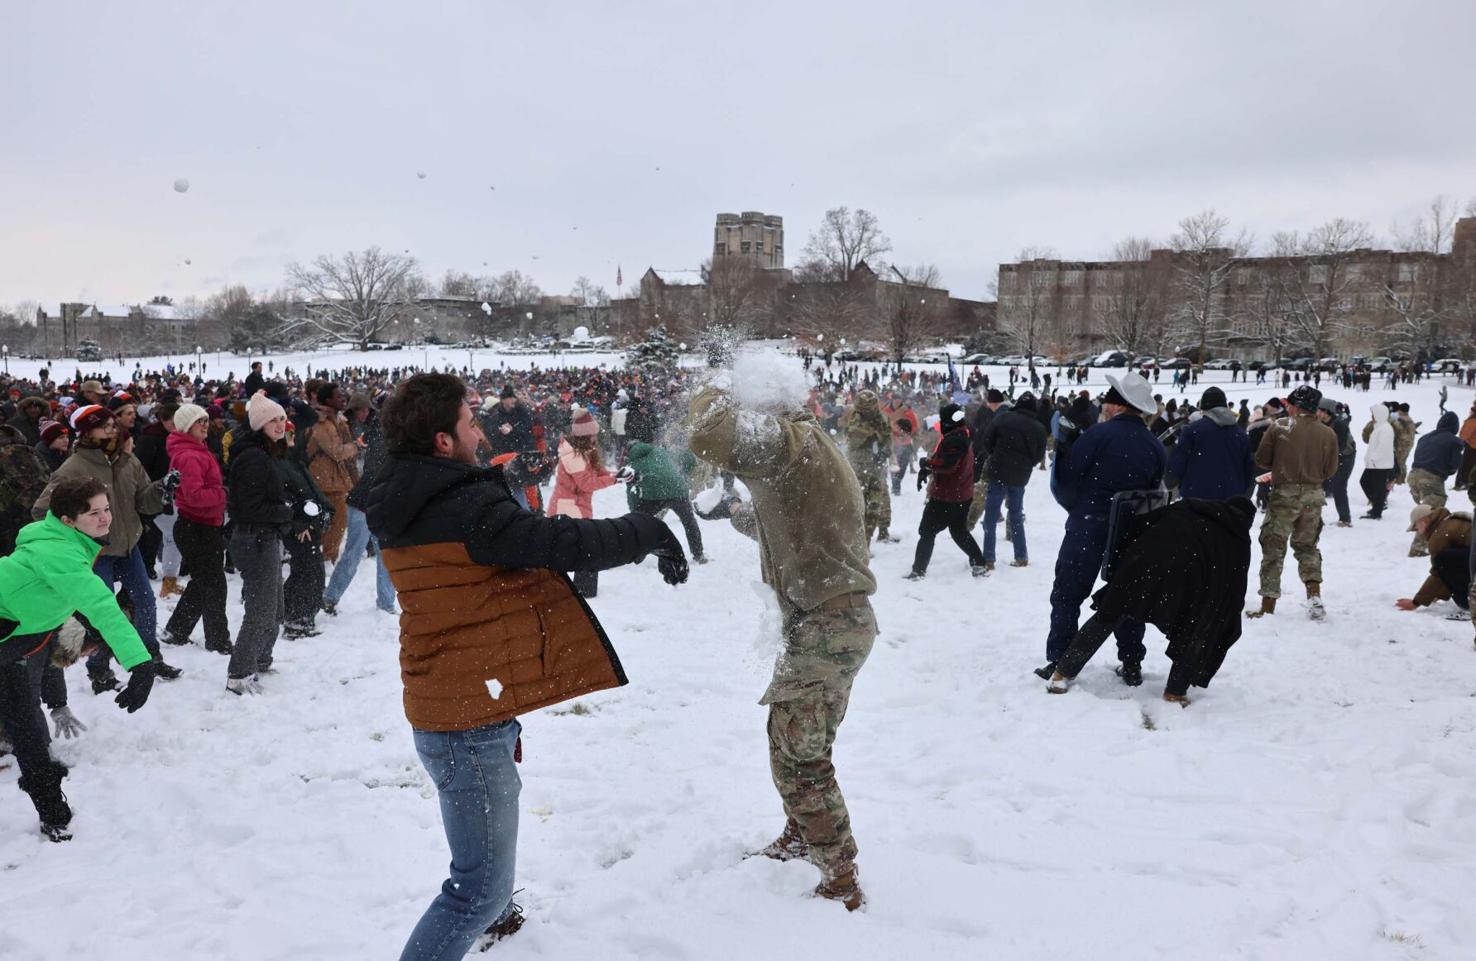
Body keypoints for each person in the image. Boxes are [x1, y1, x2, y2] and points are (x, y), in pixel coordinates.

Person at [364, 373, 686, 958]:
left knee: (481, 878)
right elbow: (558, 541)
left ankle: (496, 913)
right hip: (464, 718)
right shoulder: (459, 505)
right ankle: (489, 910)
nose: (478, 428)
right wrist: (645, 529)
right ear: (442, 441)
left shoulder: (413, 492)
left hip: (457, 701)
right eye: (468, 421)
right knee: (475, 892)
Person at [688, 372, 875, 911]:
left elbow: (710, 432)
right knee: (789, 740)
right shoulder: (805, 451)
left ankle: (839, 875)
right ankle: (803, 834)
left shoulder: (795, 440)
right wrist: (739, 515)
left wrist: (718, 384)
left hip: (828, 626)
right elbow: (799, 520)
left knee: (801, 756)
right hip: (827, 625)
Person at [0, 476, 156, 841]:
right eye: (93, 513)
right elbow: (101, 605)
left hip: (8, 650)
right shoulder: (59, 554)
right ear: (68, 520)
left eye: (106, 510)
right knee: (25, 728)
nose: (105, 519)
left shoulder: (68, 546)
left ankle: (54, 813)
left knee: (26, 731)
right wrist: (140, 662)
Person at [1047, 497, 1255, 705]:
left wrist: (1124, 565)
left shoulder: (1189, 506)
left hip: (1145, 561)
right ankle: (1175, 692)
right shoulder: (1238, 539)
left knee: (1110, 614)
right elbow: (1233, 588)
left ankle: (1061, 674)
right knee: (1198, 628)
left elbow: (1143, 522)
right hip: (1187, 578)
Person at [31, 404, 180, 689]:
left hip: (129, 546)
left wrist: (162, 488)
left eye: (114, 424)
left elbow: (145, 501)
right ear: (87, 432)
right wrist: (80, 537)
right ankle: (98, 667)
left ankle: (150, 656)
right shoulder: (73, 468)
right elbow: (42, 511)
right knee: (102, 610)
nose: (113, 429)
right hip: (97, 554)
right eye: (105, 425)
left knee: (145, 602)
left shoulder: (127, 461)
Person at [1041, 372, 1166, 682]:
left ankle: (1061, 659)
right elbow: (1155, 492)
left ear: (1117, 406)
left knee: (1069, 594)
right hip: (1131, 531)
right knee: (1126, 596)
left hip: (1090, 524)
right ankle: (1132, 661)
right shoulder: (1154, 446)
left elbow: (1068, 478)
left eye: (1107, 402)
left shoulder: (1097, 436)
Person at [1248, 385, 1339, 620]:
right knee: (1307, 546)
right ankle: (1314, 595)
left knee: (1273, 547)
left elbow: (1262, 459)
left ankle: (1268, 604)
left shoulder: (1279, 427)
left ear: (1295, 405)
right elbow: (1330, 470)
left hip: (1284, 496)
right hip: (1313, 496)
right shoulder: (1328, 433)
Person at [224, 392, 295, 694]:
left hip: (265, 535)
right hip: (254, 538)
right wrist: (286, 511)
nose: (281, 424)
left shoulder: (264, 452)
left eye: (282, 418)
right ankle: (239, 674)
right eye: (274, 420)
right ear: (260, 424)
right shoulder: (253, 456)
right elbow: (249, 507)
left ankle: (261, 660)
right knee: (261, 609)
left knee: (275, 607)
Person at [159, 404, 230, 654]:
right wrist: (223, 495)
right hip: (197, 527)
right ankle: (218, 641)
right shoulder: (189, 455)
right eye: (199, 421)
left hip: (202, 526)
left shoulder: (196, 450)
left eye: (206, 420)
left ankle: (177, 630)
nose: (205, 425)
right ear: (186, 426)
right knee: (214, 585)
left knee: (204, 582)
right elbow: (194, 496)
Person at [324, 394, 396, 616]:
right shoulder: (375, 432)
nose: (361, 415)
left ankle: (386, 602)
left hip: (380, 502)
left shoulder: (383, 431)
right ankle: (330, 597)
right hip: (365, 502)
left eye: (364, 411)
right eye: (357, 412)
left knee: (386, 556)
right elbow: (375, 467)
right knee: (354, 553)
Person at [908, 403, 987, 579]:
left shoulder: (955, 439)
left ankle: (918, 570)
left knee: (927, 531)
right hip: (962, 493)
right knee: (958, 530)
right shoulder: (964, 432)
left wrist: (927, 464)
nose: (941, 423)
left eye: (943, 419)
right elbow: (948, 461)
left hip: (947, 495)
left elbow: (948, 464)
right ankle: (979, 563)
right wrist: (928, 469)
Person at [549, 407, 618, 596]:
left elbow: (599, 472)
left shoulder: (586, 450)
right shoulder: (572, 454)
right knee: (585, 548)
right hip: (568, 507)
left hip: (577, 506)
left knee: (580, 548)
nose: (596, 437)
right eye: (593, 434)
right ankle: (581, 589)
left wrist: (616, 475)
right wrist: (614, 480)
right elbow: (587, 483)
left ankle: (580, 588)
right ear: (585, 435)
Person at [976, 392, 1047, 570]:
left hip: (998, 471)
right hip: (1020, 476)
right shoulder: (1038, 427)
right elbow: (1039, 455)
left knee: (991, 516)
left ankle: (988, 558)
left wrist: (996, 456)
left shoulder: (1003, 419)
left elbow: (987, 441)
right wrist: (1025, 463)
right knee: (1016, 515)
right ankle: (1021, 556)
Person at [306, 382, 362, 564]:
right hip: (326, 481)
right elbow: (336, 452)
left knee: (333, 524)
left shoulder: (337, 419)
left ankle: (327, 558)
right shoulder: (321, 422)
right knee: (335, 524)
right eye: (338, 396)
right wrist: (357, 446)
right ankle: (326, 559)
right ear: (328, 400)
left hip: (333, 480)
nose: (343, 398)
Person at [623, 440, 705, 562]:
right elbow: (686, 457)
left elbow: (631, 491)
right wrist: (685, 473)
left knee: (639, 523)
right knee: (689, 522)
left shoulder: (631, 464)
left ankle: (636, 556)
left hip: (654, 496)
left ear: (629, 452)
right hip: (678, 490)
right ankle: (698, 554)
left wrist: (635, 512)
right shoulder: (660, 450)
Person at [1169, 387, 1255, 501]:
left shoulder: (1192, 431)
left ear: (1203, 408)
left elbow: (1177, 466)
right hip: (1231, 502)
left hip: (1196, 499)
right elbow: (1249, 471)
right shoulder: (1241, 435)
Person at [1406, 410, 1467, 555]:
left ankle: (1430, 536)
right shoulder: (1455, 441)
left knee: (1428, 508)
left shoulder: (1425, 437)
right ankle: (1418, 548)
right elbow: (1455, 464)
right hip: (1430, 478)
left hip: (1413, 476)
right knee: (1432, 512)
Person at [1395, 505, 1472, 614]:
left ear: (1423, 521)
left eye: (1416, 527)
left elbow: (1439, 573)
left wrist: (1416, 602)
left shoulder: (1439, 535)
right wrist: (1436, 594)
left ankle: (1470, 605)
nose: (1418, 532)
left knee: (1443, 560)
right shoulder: (1450, 521)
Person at [844, 390, 897, 544]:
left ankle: (872, 537)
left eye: (870, 409)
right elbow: (853, 441)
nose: (867, 412)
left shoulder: (881, 418)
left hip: (876, 467)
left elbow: (887, 438)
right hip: (857, 467)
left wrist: (884, 451)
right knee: (857, 504)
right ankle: (857, 541)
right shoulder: (854, 417)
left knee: (876, 503)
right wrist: (869, 429)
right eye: (864, 409)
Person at [2, 423, 52, 557]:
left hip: (14, 516)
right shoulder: (29, 451)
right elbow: (45, 480)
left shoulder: (10, 455)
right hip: (34, 514)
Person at [1317, 399, 1356, 527]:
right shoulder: (1319, 423)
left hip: (1345, 457)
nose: (1319, 413)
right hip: (1328, 456)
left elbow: (1341, 446)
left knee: (1339, 486)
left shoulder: (1339, 424)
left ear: (1329, 412)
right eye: (1318, 410)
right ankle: (1314, 517)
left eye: (1322, 411)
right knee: (1318, 485)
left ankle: (1345, 519)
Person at [1360, 403, 1397, 519]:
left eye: (1373, 414)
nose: (1372, 416)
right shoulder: (1380, 427)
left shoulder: (1385, 429)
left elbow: (1383, 447)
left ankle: (1377, 510)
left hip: (1381, 464)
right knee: (1366, 483)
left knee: (1376, 487)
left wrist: (1373, 458)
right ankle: (1378, 506)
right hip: (1375, 464)